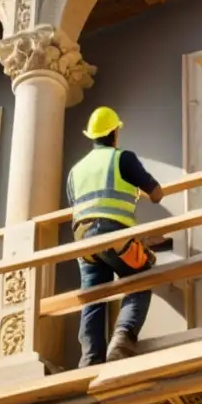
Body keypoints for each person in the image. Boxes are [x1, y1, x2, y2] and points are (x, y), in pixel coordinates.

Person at [67, 107, 164, 367]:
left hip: (84, 241)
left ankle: (90, 359)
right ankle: (123, 337)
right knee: (142, 276)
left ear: (92, 136)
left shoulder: (76, 170)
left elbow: (75, 206)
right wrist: (141, 191)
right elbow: (156, 194)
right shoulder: (122, 158)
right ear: (114, 132)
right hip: (113, 233)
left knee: (93, 295)